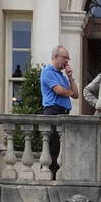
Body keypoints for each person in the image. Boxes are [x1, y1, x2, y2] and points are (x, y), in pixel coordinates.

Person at [40, 45, 79, 176]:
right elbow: (59, 91)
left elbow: (76, 94)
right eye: (65, 58)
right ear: (55, 57)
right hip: (52, 111)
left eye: (68, 59)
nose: (67, 62)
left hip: (63, 112)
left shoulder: (62, 75)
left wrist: (70, 77)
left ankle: (56, 175)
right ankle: (47, 176)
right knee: (51, 147)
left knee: (61, 147)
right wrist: (69, 92)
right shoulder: (48, 71)